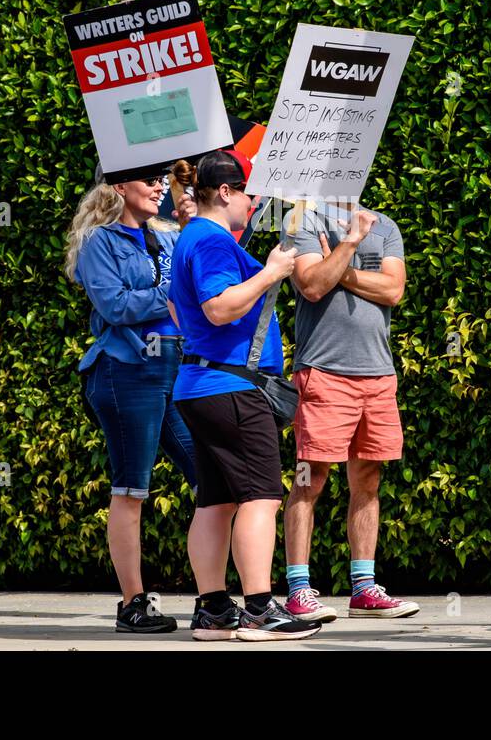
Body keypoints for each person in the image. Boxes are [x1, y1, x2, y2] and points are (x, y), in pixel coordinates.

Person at [167, 149, 320, 641]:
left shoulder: (191, 236)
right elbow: (217, 307)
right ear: (227, 192)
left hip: (201, 384)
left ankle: (213, 610)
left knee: (215, 502)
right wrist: (272, 272)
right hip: (231, 387)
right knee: (261, 497)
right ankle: (258, 608)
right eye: (250, 194)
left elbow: (176, 306)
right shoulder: (211, 240)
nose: (255, 204)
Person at [65, 164, 199, 633]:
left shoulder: (167, 235)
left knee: (210, 478)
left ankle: (215, 596)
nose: (160, 186)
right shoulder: (99, 241)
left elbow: (210, 273)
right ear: (118, 186)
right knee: (131, 490)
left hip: (173, 370)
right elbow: (115, 305)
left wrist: (193, 221)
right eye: (150, 179)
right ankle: (132, 604)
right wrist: (169, 297)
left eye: (163, 179)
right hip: (125, 372)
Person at [282, 201, 418, 622]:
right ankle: (298, 590)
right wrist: (351, 244)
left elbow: (393, 290)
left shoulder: (386, 224)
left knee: (368, 480)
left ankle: (363, 589)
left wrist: (337, 266)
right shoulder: (299, 220)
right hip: (323, 371)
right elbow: (311, 285)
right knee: (311, 478)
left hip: (378, 375)